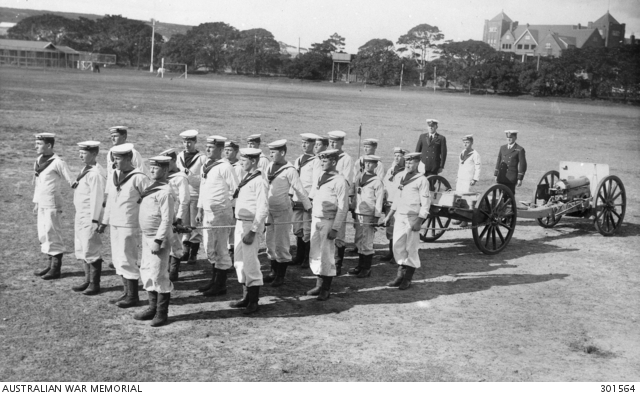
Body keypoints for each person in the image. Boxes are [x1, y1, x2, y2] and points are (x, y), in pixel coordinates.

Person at [98, 143, 150, 308]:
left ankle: (133, 296)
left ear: (129, 158)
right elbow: (111, 202)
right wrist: (104, 222)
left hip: (129, 224)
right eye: (114, 158)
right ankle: (126, 292)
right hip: (115, 223)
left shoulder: (139, 177)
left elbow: (149, 200)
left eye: (119, 158)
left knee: (128, 259)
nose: (115, 162)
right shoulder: (114, 175)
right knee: (118, 259)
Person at [133, 156, 175, 327]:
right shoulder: (152, 187)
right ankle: (151, 308)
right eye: (151, 168)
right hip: (146, 237)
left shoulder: (165, 191)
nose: (151, 170)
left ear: (165, 170)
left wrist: (158, 240)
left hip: (158, 238)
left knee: (159, 274)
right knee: (147, 271)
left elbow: (166, 220)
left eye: (156, 168)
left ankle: (161, 313)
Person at [263, 139, 312, 287]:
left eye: (273, 152)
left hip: (283, 211)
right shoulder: (270, 166)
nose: (271, 155)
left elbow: (299, 190)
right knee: (269, 241)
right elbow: (265, 186)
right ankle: (273, 271)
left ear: (282, 152)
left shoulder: (290, 170)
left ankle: (280, 275)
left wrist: (309, 207)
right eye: (270, 152)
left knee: (281, 243)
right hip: (268, 210)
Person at [196, 136, 239, 297]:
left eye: (211, 147)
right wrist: (199, 209)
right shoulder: (205, 166)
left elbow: (236, 189)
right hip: (207, 212)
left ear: (220, 150)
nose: (207, 150)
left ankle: (220, 284)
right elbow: (203, 188)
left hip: (221, 213)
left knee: (221, 248)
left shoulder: (225, 167)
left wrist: (225, 204)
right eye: (206, 147)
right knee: (209, 247)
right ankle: (213, 280)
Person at [382, 152, 431, 290]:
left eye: (412, 162)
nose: (409, 164)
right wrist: (388, 216)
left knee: (411, 248)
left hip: (412, 218)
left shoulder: (422, 180)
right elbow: (397, 199)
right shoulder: (402, 177)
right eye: (407, 162)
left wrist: (419, 221)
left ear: (418, 163)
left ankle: (407, 279)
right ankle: (399, 276)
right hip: (400, 217)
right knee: (398, 247)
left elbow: (426, 204)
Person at [229, 148, 269, 314]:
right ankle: (245, 297)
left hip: (250, 225)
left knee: (251, 263)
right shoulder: (247, 177)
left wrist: (253, 231)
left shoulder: (259, 181)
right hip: (240, 223)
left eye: (244, 160)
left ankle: (253, 301)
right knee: (239, 262)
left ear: (253, 161)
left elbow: (263, 208)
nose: (240, 163)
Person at [307, 149, 349, 300]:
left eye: (325, 160)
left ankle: (326, 288)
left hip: (329, 221)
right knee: (316, 253)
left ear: (333, 162)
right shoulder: (320, 176)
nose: (322, 162)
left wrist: (335, 228)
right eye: (322, 160)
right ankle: (319, 285)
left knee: (327, 255)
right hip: (316, 220)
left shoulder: (340, 181)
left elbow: (343, 207)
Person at [32, 133, 74, 280]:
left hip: (52, 203)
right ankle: (50, 265)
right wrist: (36, 202)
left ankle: (56, 268)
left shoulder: (58, 162)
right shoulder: (38, 160)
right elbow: (38, 184)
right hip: (42, 203)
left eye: (39, 144)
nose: (35, 146)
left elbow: (72, 180)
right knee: (43, 232)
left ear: (49, 145)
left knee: (53, 232)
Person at [71, 141, 106, 295]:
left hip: (89, 217)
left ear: (93, 154)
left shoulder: (96, 174)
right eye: (80, 152)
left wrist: (94, 220)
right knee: (82, 248)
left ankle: (94, 283)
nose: (80, 155)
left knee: (91, 248)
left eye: (84, 153)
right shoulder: (86, 169)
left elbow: (98, 199)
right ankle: (87, 280)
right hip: (81, 214)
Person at [348, 155, 385, 278]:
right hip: (359, 213)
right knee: (359, 239)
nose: (368, 165)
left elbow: (379, 201)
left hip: (369, 214)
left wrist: (376, 216)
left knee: (367, 241)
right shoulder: (359, 177)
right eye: (366, 163)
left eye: (371, 163)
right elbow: (356, 196)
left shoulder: (377, 181)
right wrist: (353, 208)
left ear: (376, 166)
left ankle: (366, 268)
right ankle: (360, 265)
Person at [176, 130, 207, 266]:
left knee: (195, 225)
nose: (187, 144)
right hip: (183, 195)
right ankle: (185, 251)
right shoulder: (180, 156)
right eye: (185, 142)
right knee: (184, 223)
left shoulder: (201, 158)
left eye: (190, 142)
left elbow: (204, 178)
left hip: (196, 194)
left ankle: (193, 253)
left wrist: (192, 178)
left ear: (195, 142)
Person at [159, 148, 190, 282]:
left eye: (167, 163)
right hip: (162, 213)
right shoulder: (162, 175)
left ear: (173, 161)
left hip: (175, 213)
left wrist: (180, 218)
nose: (165, 167)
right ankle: (164, 268)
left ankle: (173, 270)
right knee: (163, 240)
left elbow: (184, 199)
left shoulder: (180, 178)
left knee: (175, 242)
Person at [327, 130, 355, 275]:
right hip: (327, 198)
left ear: (342, 143)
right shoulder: (326, 157)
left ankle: (337, 263)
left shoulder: (346, 159)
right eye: (331, 141)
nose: (332, 144)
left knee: (339, 231)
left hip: (339, 197)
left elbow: (346, 179)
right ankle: (327, 261)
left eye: (335, 142)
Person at [291, 133, 319, 268]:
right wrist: (291, 195)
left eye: (307, 143)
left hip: (308, 199)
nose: (304, 145)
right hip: (297, 199)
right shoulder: (298, 159)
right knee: (297, 228)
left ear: (313, 145)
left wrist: (310, 199)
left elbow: (316, 182)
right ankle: (299, 256)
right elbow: (294, 180)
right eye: (302, 142)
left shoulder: (316, 161)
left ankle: (307, 258)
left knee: (307, 229)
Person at [381, 147, 406, 262]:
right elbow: (385, 184)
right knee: (390, 230)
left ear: (404, 157)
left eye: (399, 156)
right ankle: (391, 253)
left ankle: (397, 255)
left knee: (398, 230)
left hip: (398, 206)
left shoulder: (405, 172)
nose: (396, 158)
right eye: (395, 155)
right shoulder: (391, 170)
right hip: (388, 203)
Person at [454, 135, 481, 227]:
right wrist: (457, 177)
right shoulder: (462, 152)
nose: (465, 144)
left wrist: (475, 179)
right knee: (458, 198)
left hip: (468, 179)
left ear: (472, 143)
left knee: (465, 199)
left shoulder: (475, 154)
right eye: (464, 142)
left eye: (467, 142)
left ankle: (464, 221)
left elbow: (478, 167)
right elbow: (460, 166)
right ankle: (458, 218)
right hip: (460, 178)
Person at [222, 140, 242, 260]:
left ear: (236, 151)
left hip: (235, 202)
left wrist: (232, 198)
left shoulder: (240, 167)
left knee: (233, 228)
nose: (227, 152)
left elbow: (239, 185)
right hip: (224, 201)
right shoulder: (222, 165)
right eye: (225, 150)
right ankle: (225, 250)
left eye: (230, 150)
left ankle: (232, 251)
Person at [494, 130, 527, 195]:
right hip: (501, 176)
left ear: (515, 138)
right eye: (507, 138)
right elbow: (499, 160)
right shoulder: (502, 148)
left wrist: (520, 178)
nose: (509, 139)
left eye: (511, 138)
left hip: (511, 178)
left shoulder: (519, 149)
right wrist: (496, 174)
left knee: (509, 196)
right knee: (501, 196)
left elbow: (522, 164)